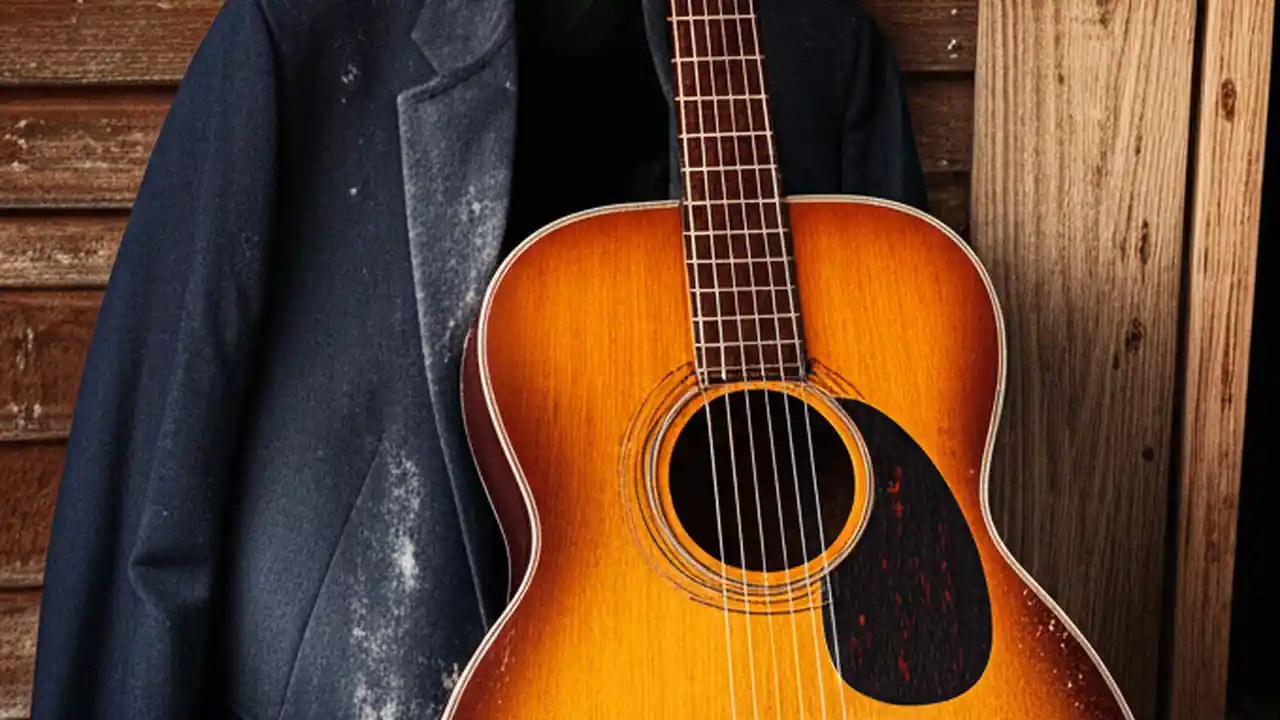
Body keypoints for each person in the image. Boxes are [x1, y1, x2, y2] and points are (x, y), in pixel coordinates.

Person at [29, 0, 925, 717]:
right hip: (396, 668)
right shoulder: (300, 44)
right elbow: (156, 479)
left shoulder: (819, 61)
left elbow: (910, 478)